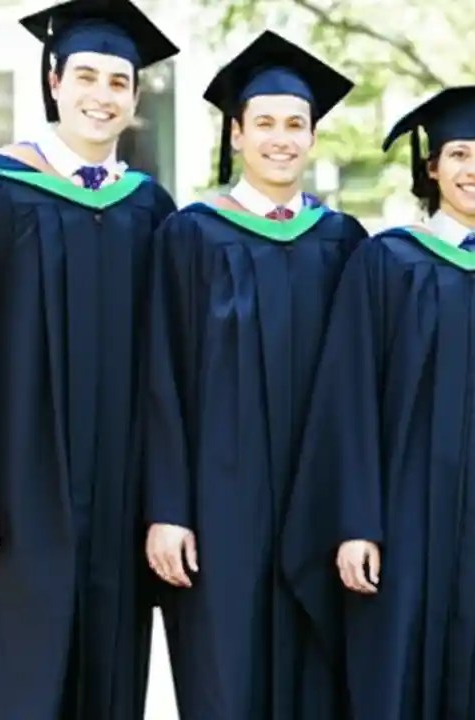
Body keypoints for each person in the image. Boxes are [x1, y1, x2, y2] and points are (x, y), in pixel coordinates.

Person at [0, 1, 177, 717]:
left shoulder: (149, 211)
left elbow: (172, 367)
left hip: (116, 501)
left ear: (135, 98)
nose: (101, 95)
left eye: (118, 82)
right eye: (86, 75)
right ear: (53, 80)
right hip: (7, 500)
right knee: (10, 687)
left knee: (106, 683)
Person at [281, 83, 475, 720]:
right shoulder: (384, 263)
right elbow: (347, 399)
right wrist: (356, 521)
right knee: (395, 677)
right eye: (460, 154)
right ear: (432, 166)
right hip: (401, 522)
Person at [142, 30, 365, 720]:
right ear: (236, 134)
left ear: (313, 137)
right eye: (263, 123)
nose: (280, 138)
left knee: (316, 680)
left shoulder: (344, 242)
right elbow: (160, 379)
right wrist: (168, 509)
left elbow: (363, 390)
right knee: (224, 680)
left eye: (294, 124)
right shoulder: (191, 235)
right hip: (218, 508)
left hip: (318, 505)